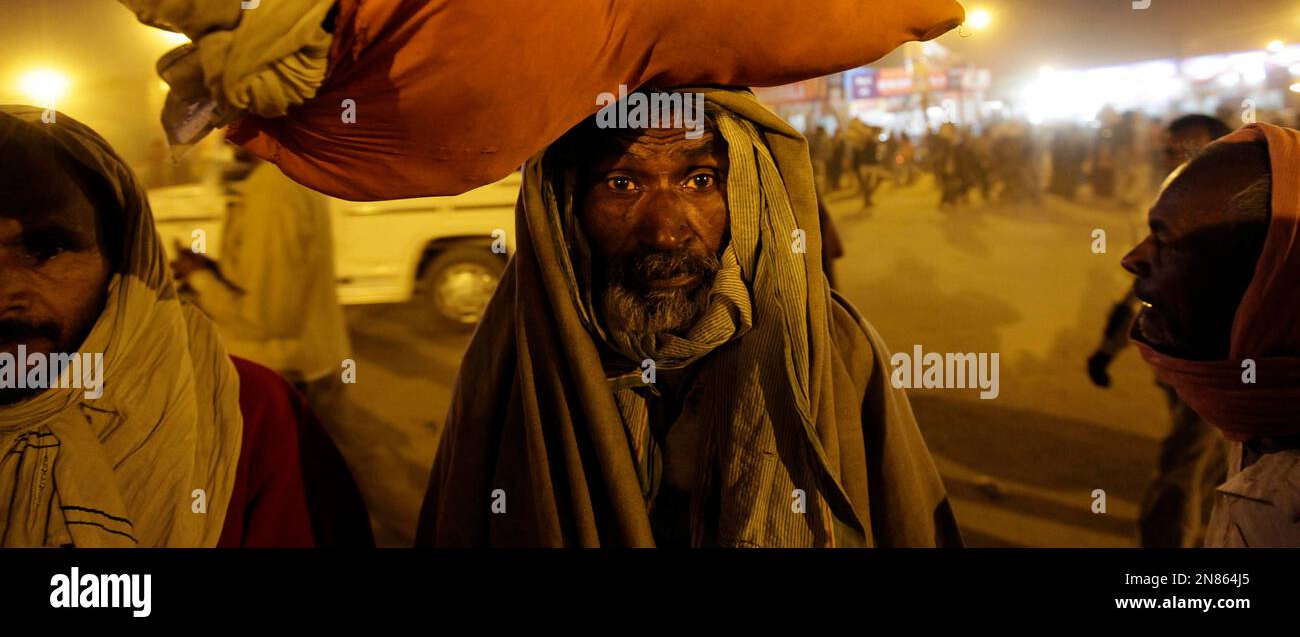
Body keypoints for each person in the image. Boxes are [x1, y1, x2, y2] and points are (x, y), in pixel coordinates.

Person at [417, 88, 960, 547]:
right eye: (621, 183)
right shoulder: (518, 349)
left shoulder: (836, 347)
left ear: (751, 192)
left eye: (700, 180)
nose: (665, 231)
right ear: (566, 207)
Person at [0, 106, 371, 547]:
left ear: (123, 258)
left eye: (49, 247)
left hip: (294, 364)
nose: (5, 294)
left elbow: (266, 312)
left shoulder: (244, 413)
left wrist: (200, 278)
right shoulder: (265, 191)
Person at [1122, 122, 1300, 547]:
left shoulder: (1284, 506)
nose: (1132, 259)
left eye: (1166, 239)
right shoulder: (1261, 422)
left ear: (1270, 278)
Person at [1088, 113, 1231, 546]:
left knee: (1181, 467)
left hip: (1221, 364)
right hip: (1180, 360)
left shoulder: (1239, 205)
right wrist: (1108, 347)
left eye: (1188, 148)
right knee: (1216, 460)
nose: (1175, 155)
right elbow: (1143, 279)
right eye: (1171, 147)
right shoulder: (1171, 199)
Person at [171, 149, 352, 413]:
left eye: (231, 119)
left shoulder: (274, 193)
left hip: (286, 376)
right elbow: (271, 280)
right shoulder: (289, 177)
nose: (226, 136)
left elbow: (262, 320)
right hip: (302, 370)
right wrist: (212, 269)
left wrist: (199, 277)